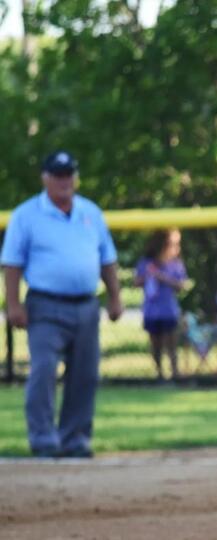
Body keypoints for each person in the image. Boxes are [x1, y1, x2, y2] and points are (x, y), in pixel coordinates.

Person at [1, 150, 122, 458]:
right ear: (45, 178)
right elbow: (12, 262)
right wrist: (12, 304)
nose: (64, 180)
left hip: (86, 304)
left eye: (69, 174)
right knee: (43, 370)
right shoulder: (27, 215)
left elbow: (107, 259)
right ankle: (43, 438)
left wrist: (115, 298)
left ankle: (75, 438)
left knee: (85, 373)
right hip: (45, 304)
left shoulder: (90, 212)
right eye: (58, 175)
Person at [134, 229, 188, 381]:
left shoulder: (176, 264)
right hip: (151, 311)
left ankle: (175, 372)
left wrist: (162, 277)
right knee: (156, 344)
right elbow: (136, 281)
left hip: (169, 310)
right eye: (171, 244)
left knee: (172, 343)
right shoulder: (146, 263)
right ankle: (159, 373)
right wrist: (148, 276)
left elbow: (181, 285)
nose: (175, 248)